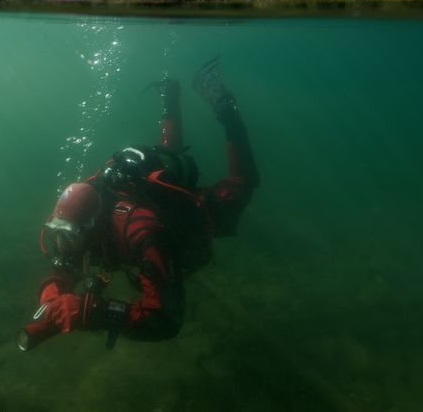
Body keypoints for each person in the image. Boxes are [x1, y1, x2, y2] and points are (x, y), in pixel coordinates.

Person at [17, 58, 259, 351]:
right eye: (59, 234)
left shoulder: (141, 231)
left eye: (68, 237)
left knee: (243, 183)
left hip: (195, 212)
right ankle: (170, 95)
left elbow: (165, 321)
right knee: (166, 152)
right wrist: (52, 298)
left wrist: (93, 312)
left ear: (93, 226)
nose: (64, 245)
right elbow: (62, 268)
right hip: (144, 188)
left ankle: (223, 105)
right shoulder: (78, 223)